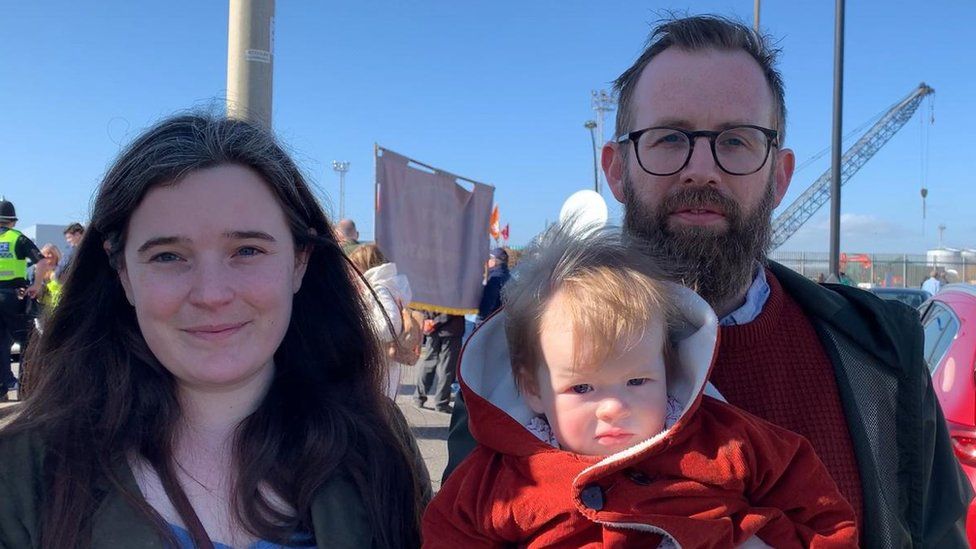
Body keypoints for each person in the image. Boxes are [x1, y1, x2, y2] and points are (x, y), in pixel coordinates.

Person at [446, 15, 970, 546]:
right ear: (616, 169)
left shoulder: (880, 352)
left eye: (737, 141)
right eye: (670, 138)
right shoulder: (515, 361)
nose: (702, 169)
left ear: (781, 175)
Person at [0, 114, 429, 548]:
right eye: (168, 256)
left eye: (247, 250)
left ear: (299, 262)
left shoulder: (379, 447)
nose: (211, 294)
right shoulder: (21, 476)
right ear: (123, 273)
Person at [424, 225, 857, 547]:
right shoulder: (504, 475)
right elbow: (448, 533)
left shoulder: (719, 441)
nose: (613, 406)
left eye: (636, 380)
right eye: (582, 389)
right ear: (532, 388)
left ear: (667, 371)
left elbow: (823, 512)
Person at [348, 243, 414, 399]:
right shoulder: (391, 285)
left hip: (378, 361)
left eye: (355, 267)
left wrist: (358, 326)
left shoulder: (378, 288)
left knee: (376, 407)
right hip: (386, 361)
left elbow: (388, 325)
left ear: (365, 266)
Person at [0, 199, 43, 402]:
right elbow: (41, 261)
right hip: (13, 296)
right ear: (13, 221)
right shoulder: (18, 238)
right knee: (26, 341)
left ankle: (1, 389)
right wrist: (36, 284)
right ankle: (25, 389)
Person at [413, 309, 464, 414]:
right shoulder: (456, 292)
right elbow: (454, 307)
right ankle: (441, 402)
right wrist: (436, 322)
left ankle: (419, 397)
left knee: (428, 363)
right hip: (451, 329)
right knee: (447, 368)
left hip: (432, 328)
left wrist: (428, 320)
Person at [476, 247, 510, 324]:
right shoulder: (509, 276)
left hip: (488, 322)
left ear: (494, 261)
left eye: (489, 258)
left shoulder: (494, 279)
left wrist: (479, 321)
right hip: (501, 322)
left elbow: (486, 305)